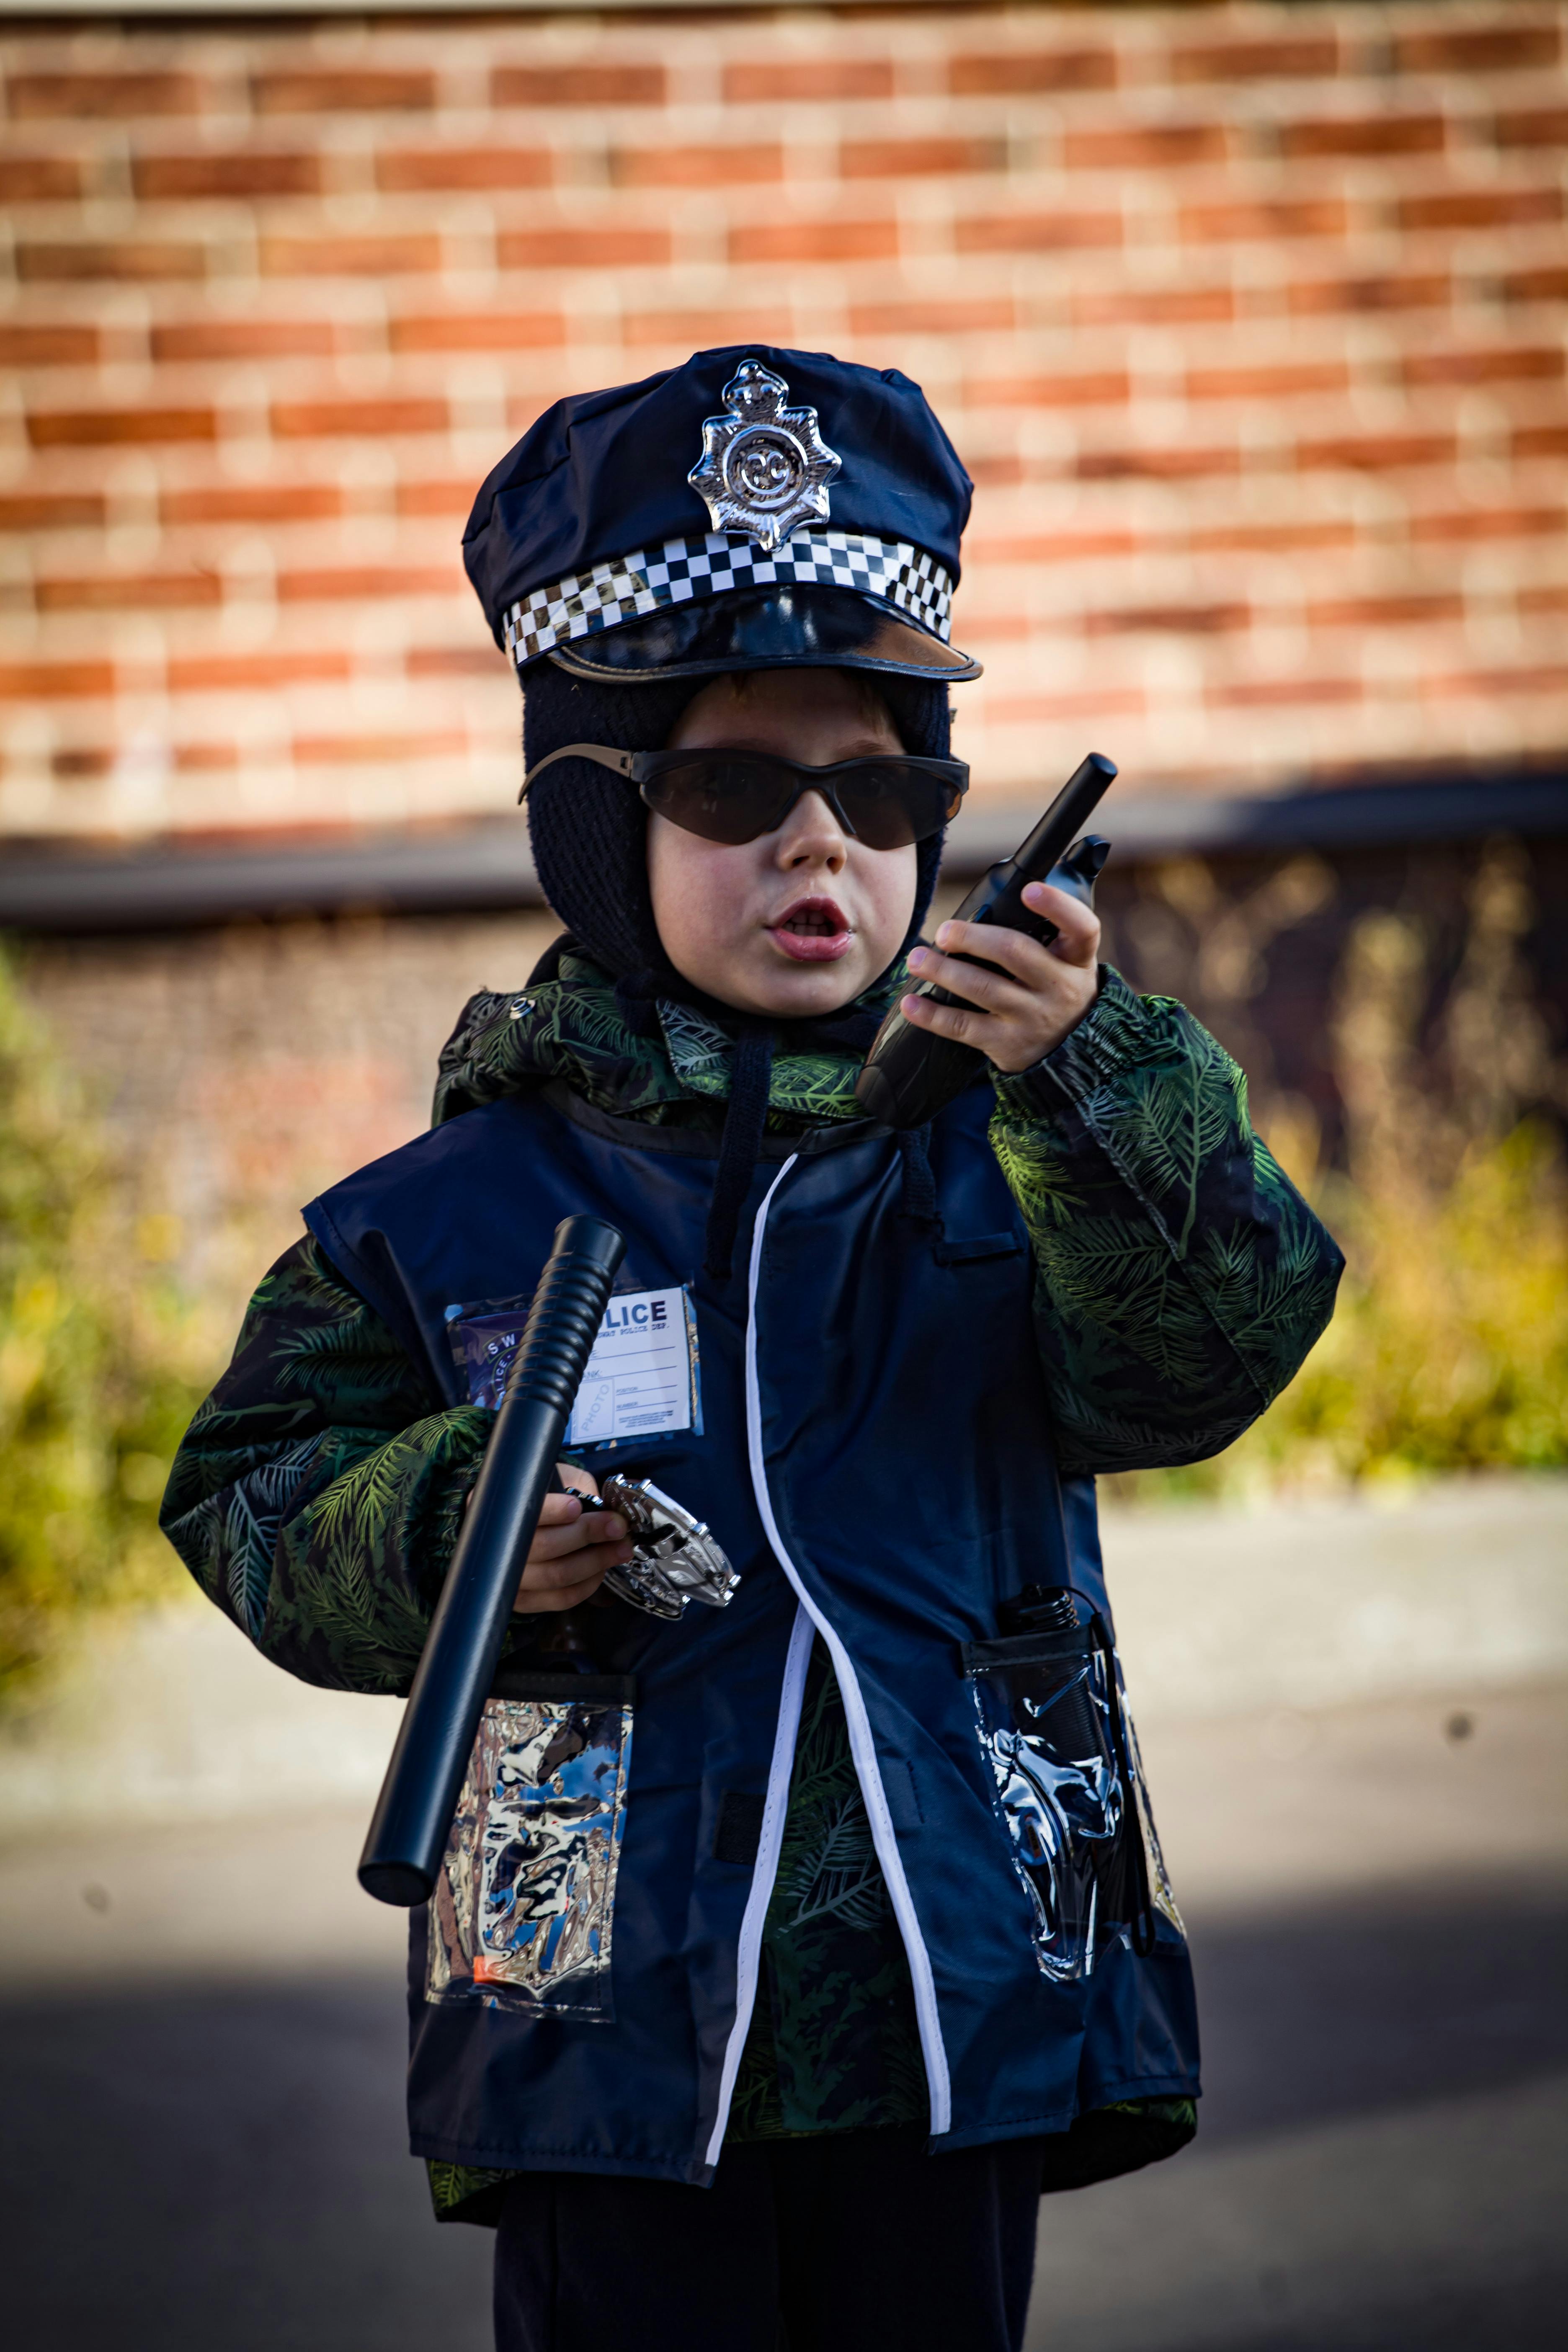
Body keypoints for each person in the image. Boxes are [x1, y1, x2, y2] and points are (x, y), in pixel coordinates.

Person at [161, 347, 1343, 2352]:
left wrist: (1094, 1084)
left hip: (953, 1957)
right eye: (733, 788)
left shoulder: (1017, 1143)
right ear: (583, 812)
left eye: (880, 790)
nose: (821, 844)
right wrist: (452, 1526)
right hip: (591, 1998)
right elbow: (246, 1495)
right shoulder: (447, 1209)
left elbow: (1204, 1364)